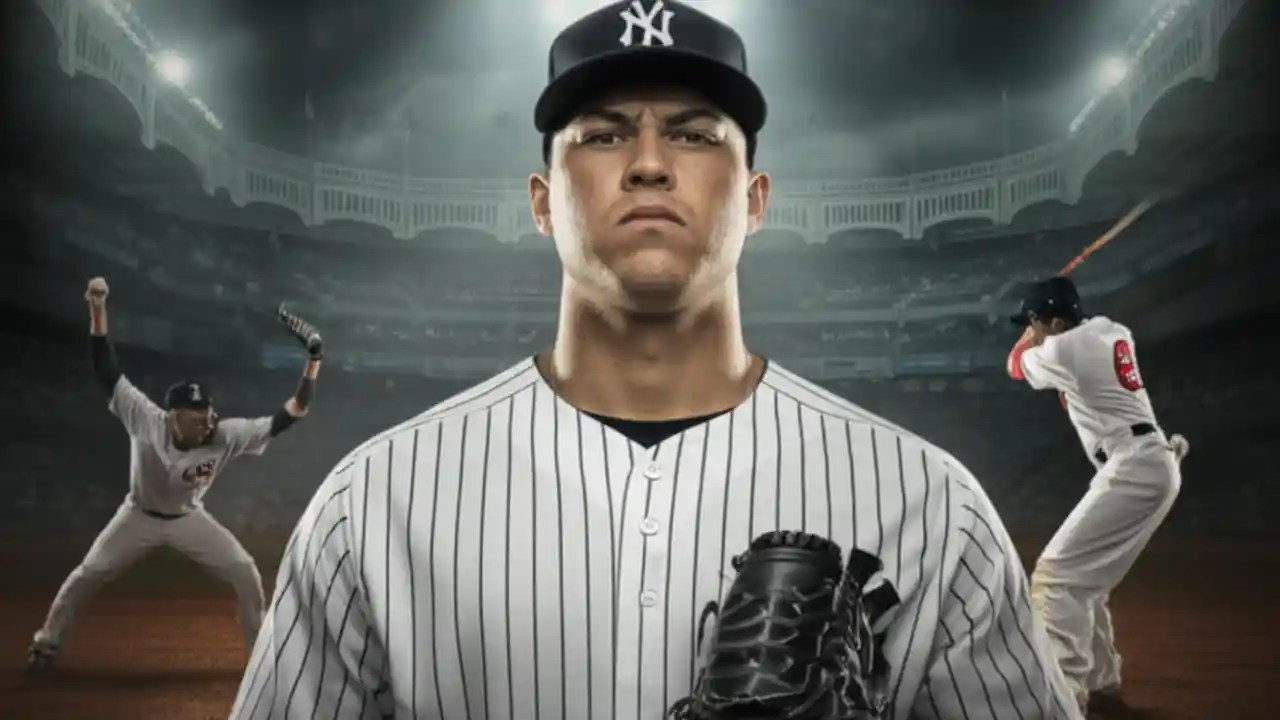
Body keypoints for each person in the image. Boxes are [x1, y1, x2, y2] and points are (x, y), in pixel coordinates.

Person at [233, 2, 1079, 718]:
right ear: (541, 203)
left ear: (755, 200)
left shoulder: (928, 502)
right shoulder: (374, 501)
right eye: (602, 136)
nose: (647, 164)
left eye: (694, 135)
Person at [25, 276, 324, 671]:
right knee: (87, 574)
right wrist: (97, 310)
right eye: (196, 417)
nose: (206, 423)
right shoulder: (146, 418)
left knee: (244, 570)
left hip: (188, 519)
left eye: (208, 414)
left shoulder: (227, 435)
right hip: (138, 516)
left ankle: (260, 657)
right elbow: (106, 370)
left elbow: (293, 413)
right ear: (173, 417)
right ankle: (46, 644)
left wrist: (313, 362)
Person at [1006, 275, 1188, 714]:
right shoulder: (1110, 329)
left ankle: (1064, 699)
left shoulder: (1064, 348)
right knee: (1085, 584)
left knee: (1056, 578)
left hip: (1134, 464)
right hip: (1150, 460)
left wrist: (1029, 338)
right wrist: (1040, 321)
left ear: (1054, 323)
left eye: (1033, 322)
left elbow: (1014, 366)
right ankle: (1103, 691)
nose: (1030, 331)